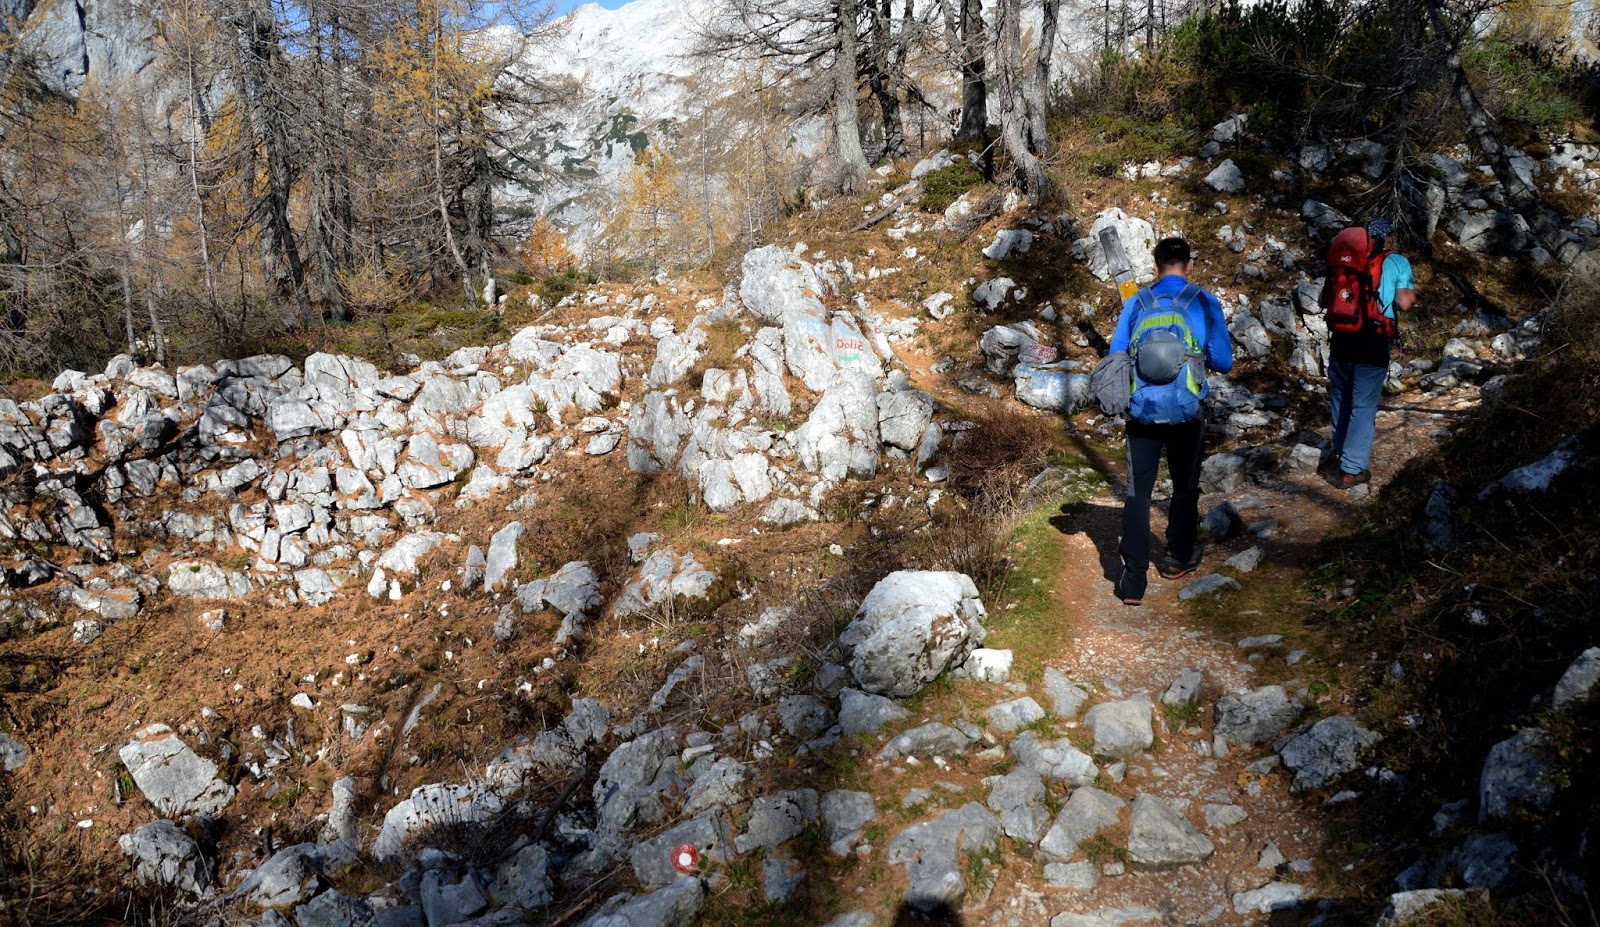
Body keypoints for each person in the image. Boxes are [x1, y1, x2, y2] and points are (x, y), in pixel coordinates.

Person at [1110, 237, 1234, 606]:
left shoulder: (1136, 303)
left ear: (1155, 265)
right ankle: (1176, 558)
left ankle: (1133, 581)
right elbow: (1223, 360)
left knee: (1137, 492)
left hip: (1142, 411)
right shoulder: (1204, 302)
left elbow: (1117, 355)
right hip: (1185, 409)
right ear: (1188, 264)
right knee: (1184, 484)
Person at [1323, 217, 1416, 489]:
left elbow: (1326, 298)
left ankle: (1338, 454)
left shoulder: (1346, 262)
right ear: (1386, 239)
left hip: (1341, 338)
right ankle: (1351, 470)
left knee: (1341, 399)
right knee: (1362, 407)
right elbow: (1404, 302)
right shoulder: (1397, 261)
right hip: (1371, 341)